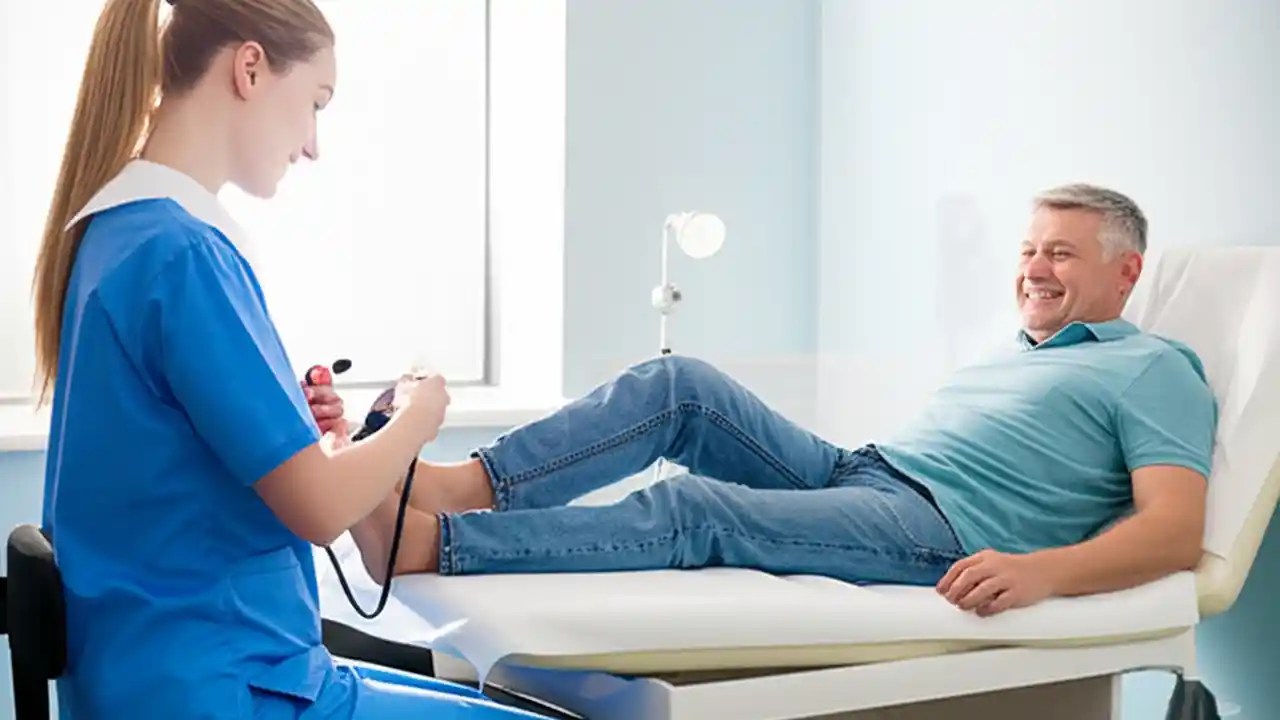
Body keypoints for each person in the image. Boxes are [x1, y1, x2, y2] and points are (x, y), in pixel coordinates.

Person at [330, 183, 1218, 620]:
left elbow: (1175, 532)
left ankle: (431, 541)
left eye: (1060, 254)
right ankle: (452, 488)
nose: (1031, 268)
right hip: (870, 471)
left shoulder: (1152, 370)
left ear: (1125, 271)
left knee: (697, 509)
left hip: (937, 530)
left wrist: (1040, 572)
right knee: (681, 387)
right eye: (1029, 249)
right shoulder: (1026, 350)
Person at [34, 1, 551, 718]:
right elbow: (320, 508)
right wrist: (416, 423)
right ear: (249, 68)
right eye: (314, 103)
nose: (312, 144)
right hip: (225, 687)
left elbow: (181, 463)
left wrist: (308, 439)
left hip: (160, 676)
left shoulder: (118, 234)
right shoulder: (181, 254)